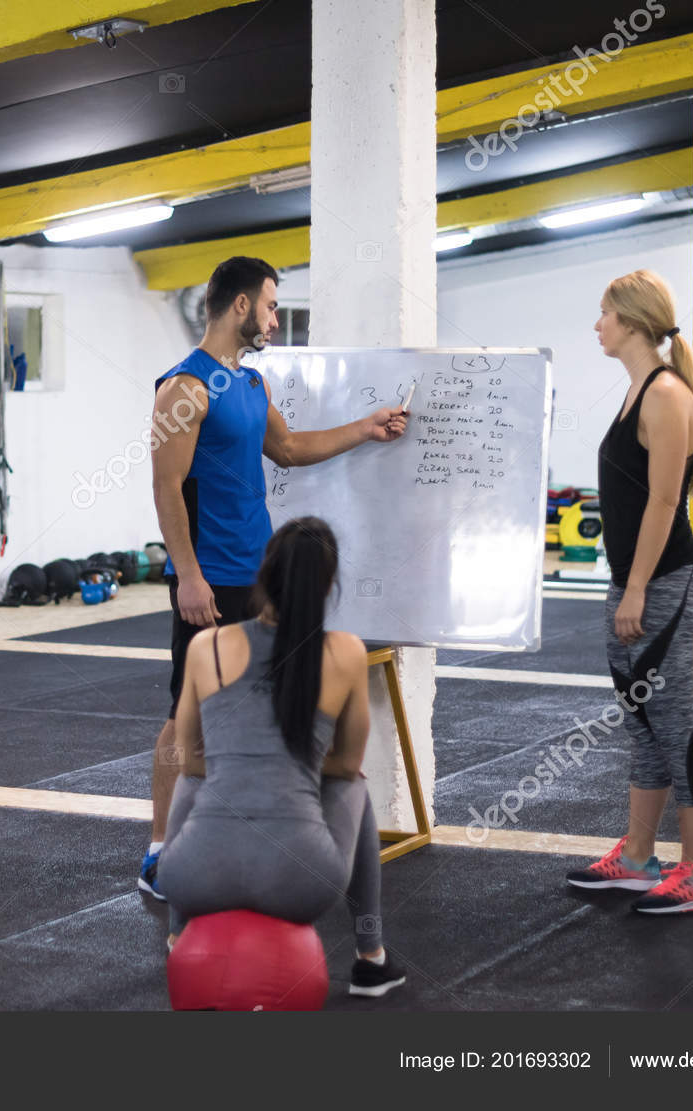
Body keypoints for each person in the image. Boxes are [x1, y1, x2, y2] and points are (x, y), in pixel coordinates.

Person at [142, 255, 408, 900]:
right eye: (268, 305)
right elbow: (165, 486)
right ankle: (159, 851)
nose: (273, 319)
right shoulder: (184, 389)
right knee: (188, 715)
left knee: (261, 702)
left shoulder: (251, 383)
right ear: (239, 305)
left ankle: (239, 833)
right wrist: (189, 577)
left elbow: (287, 450)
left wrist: (366, 428)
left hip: (259, 574)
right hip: (211, 580)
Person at [159, 518, 406, 997]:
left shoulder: (207, 646)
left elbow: (188, 758)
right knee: (353, 782)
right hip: (300, 883)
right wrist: (293, 767)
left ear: (263, 574)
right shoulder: (346, 652)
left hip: (192, 877)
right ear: (328, 586)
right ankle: (371, 959)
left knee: (194, 779)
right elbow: (344, 764)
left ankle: (177, 937)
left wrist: (243, 765)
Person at [566, 268, 693, 914]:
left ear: (630, 321)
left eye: (604, 314)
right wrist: (624, 586)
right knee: (645, 726)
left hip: (666, 581)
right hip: (634, 582)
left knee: (675, 727)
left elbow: (663, 501)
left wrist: (635, 590)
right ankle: (636, 858)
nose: (597, 325)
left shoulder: (665, 394)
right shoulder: (637, 391)